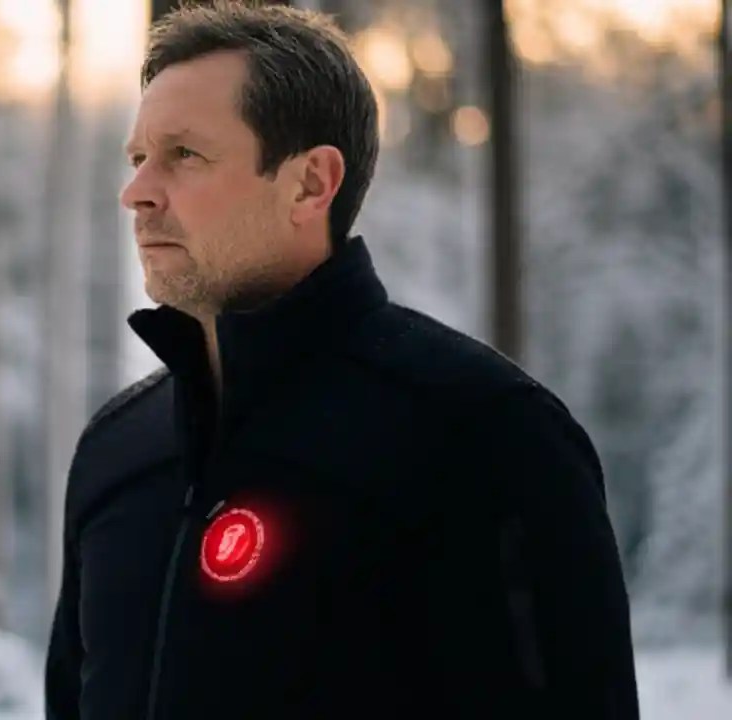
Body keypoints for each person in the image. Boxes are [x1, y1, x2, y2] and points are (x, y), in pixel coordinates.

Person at [43, 3, 639, 719]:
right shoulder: (119, 449)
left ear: (310, 183)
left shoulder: (483, 434)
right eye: (139, 158)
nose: (136, 192)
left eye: (184, 155)